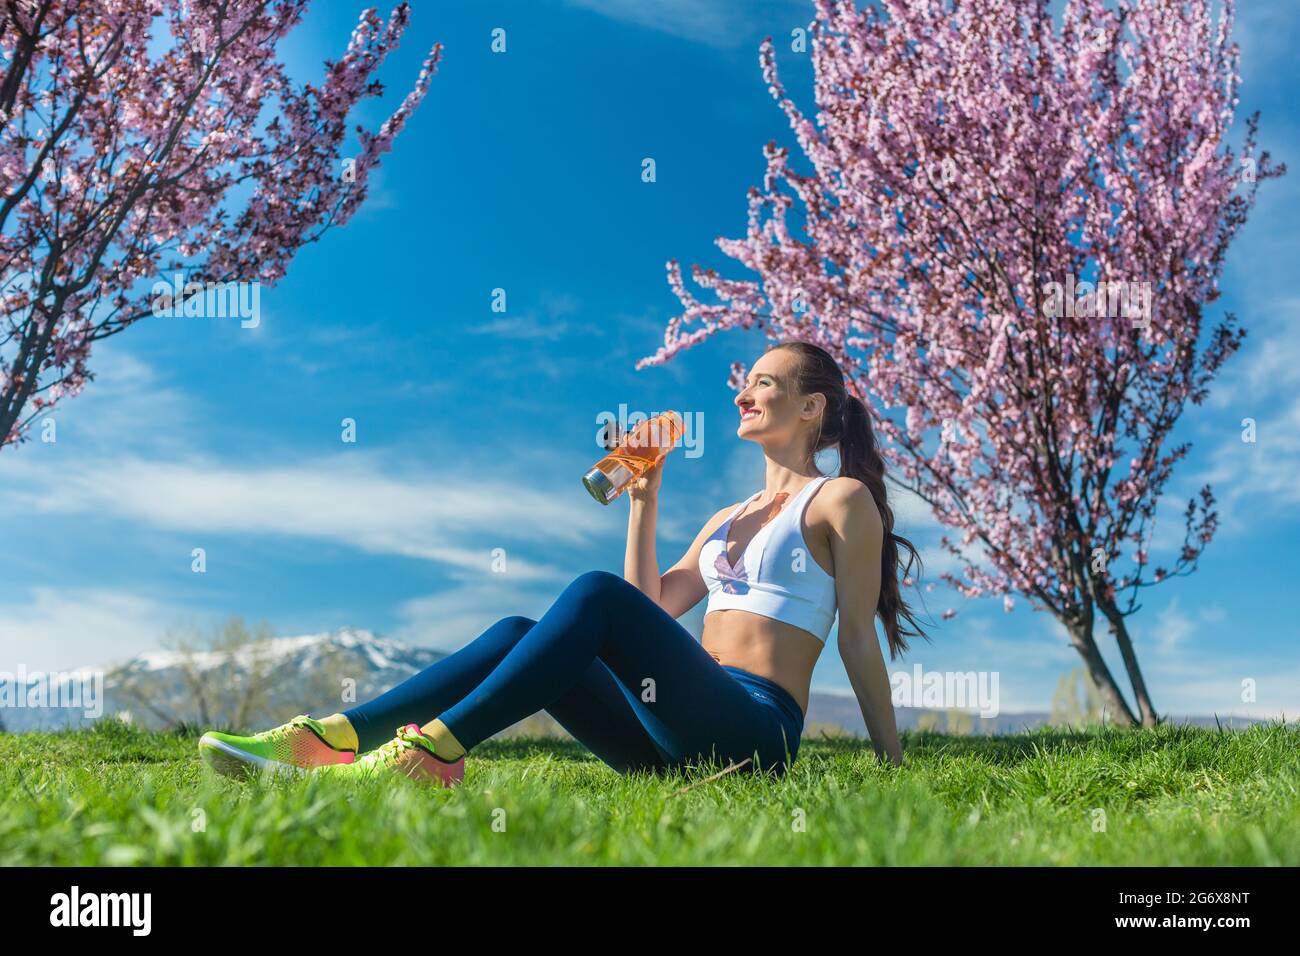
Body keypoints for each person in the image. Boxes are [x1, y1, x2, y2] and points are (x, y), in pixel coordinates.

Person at [198, 340, 928, 786]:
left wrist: (890, 762)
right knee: (522, 626)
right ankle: (329, 738)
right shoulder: (727, 518)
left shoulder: (840, 501)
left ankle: (434, 755)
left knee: (591, 594)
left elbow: (857, 637)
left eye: (766, 383)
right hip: (667, 738)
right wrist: (645, 501)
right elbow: (651, 609)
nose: (744, 391)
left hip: (752, 733)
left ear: (811, 409)